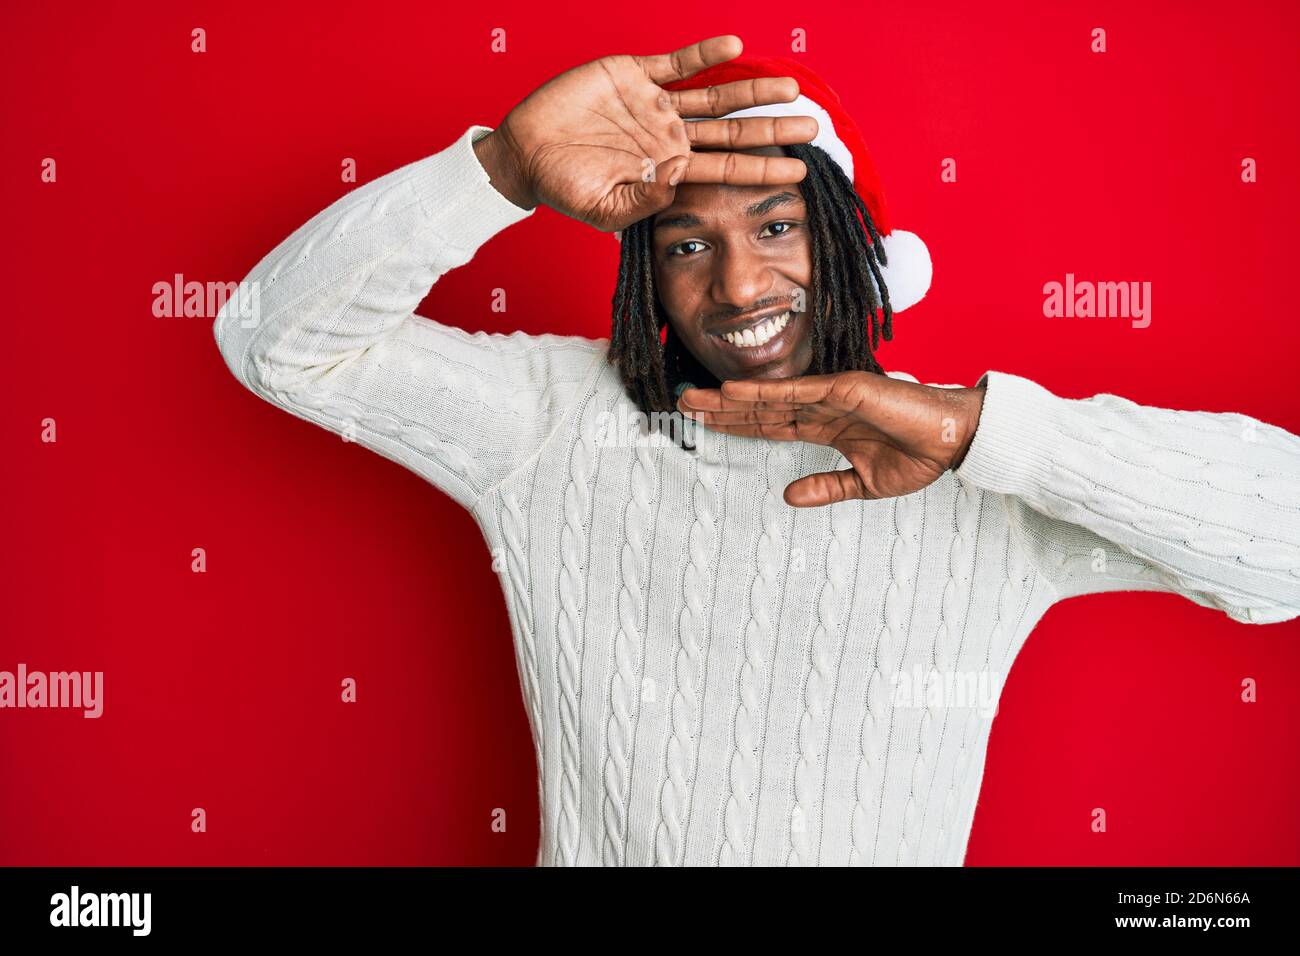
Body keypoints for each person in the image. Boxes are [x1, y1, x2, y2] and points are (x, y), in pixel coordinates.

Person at [213, 35, 1300, 866]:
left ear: (850, 243)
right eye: (687, 244)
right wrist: (495, 171)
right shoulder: (548, 416)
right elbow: (273, 342)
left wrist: (984, 432)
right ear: (641, 265)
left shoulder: (976, 463)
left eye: (777, 227)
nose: (736, 287)